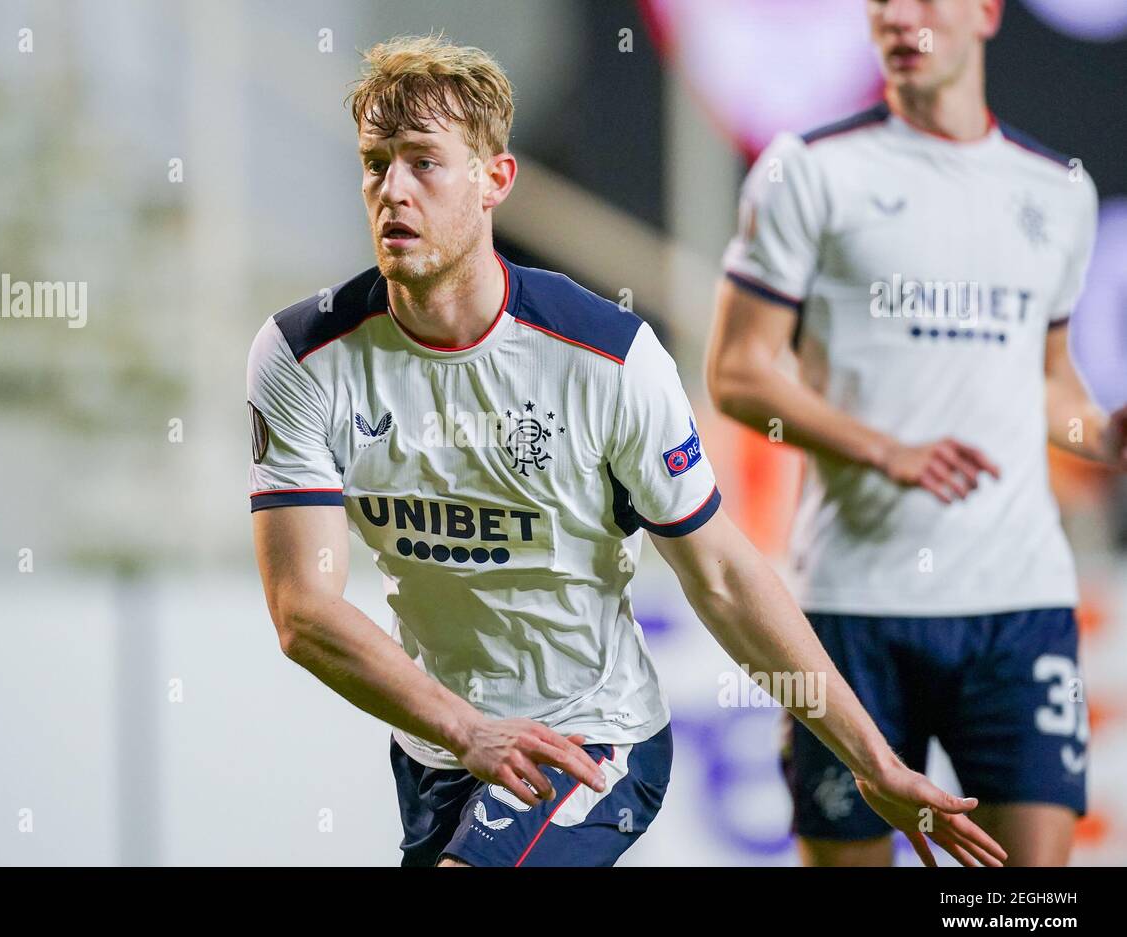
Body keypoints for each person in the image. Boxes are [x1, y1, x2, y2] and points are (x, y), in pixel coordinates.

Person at [249, 33, 1005, 867]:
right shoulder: (302, 355)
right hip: (442, 746)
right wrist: (464, 729)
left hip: (594, 736)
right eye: (375, 162)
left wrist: (875, 761)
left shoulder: (606, 357)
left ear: (496, 180)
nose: (393, 189)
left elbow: (719, 572)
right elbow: (303, 613)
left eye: (424, 161)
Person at [709, 0, 1126, 866]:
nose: (899, 16)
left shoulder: (1058, 190)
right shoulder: (809, 170)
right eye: (882, 1)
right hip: (853, 609)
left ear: (985, 12)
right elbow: (738, 373)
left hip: (1018, 607)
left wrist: (1109, 431)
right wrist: (883, 448)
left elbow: (1050, 387)